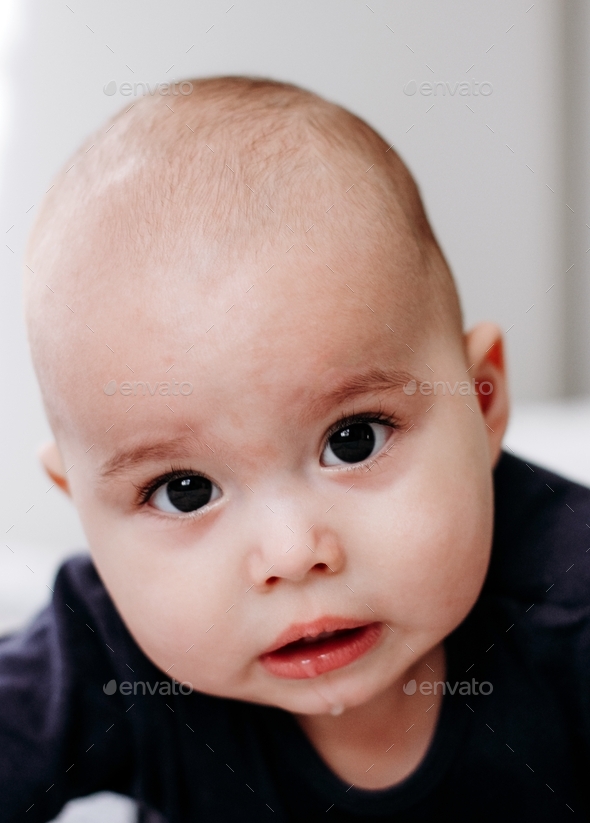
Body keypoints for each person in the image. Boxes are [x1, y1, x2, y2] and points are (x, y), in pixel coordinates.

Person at [2, 76, 588, 822]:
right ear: (82, 506)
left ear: (481, 403)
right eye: (184, 490)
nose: (290, 552)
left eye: (353, 440)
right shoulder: (108, 656)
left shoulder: (569, 609)